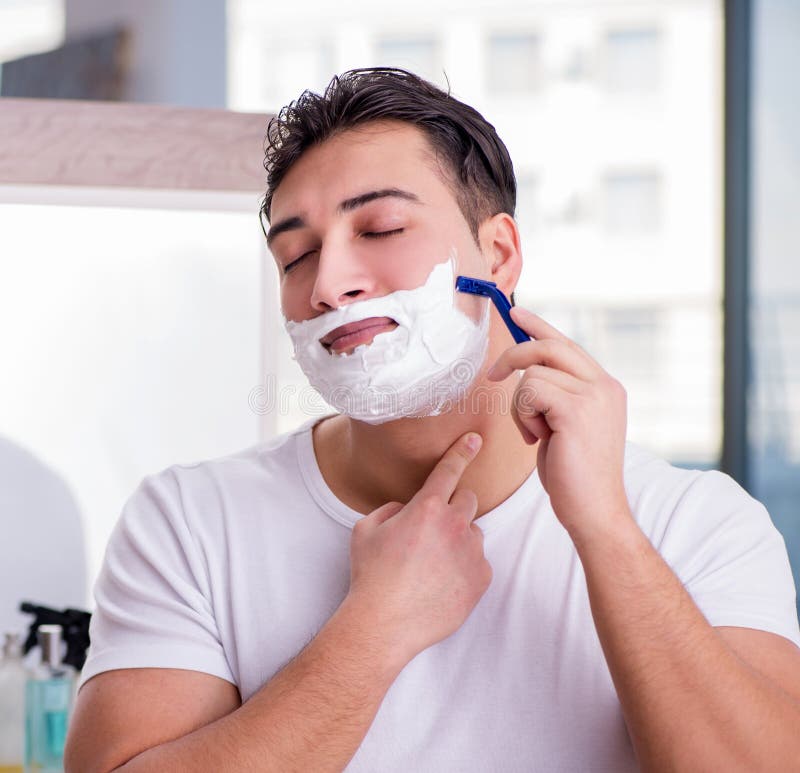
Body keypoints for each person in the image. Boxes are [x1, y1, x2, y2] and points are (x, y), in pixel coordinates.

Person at [65, 68, 800, 772]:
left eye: (381, 227)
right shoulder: (189, 523)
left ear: (500, 254)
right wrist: (373, 631)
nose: (328, 284)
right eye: (295, 255)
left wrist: (605, 528)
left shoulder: (698, 524)